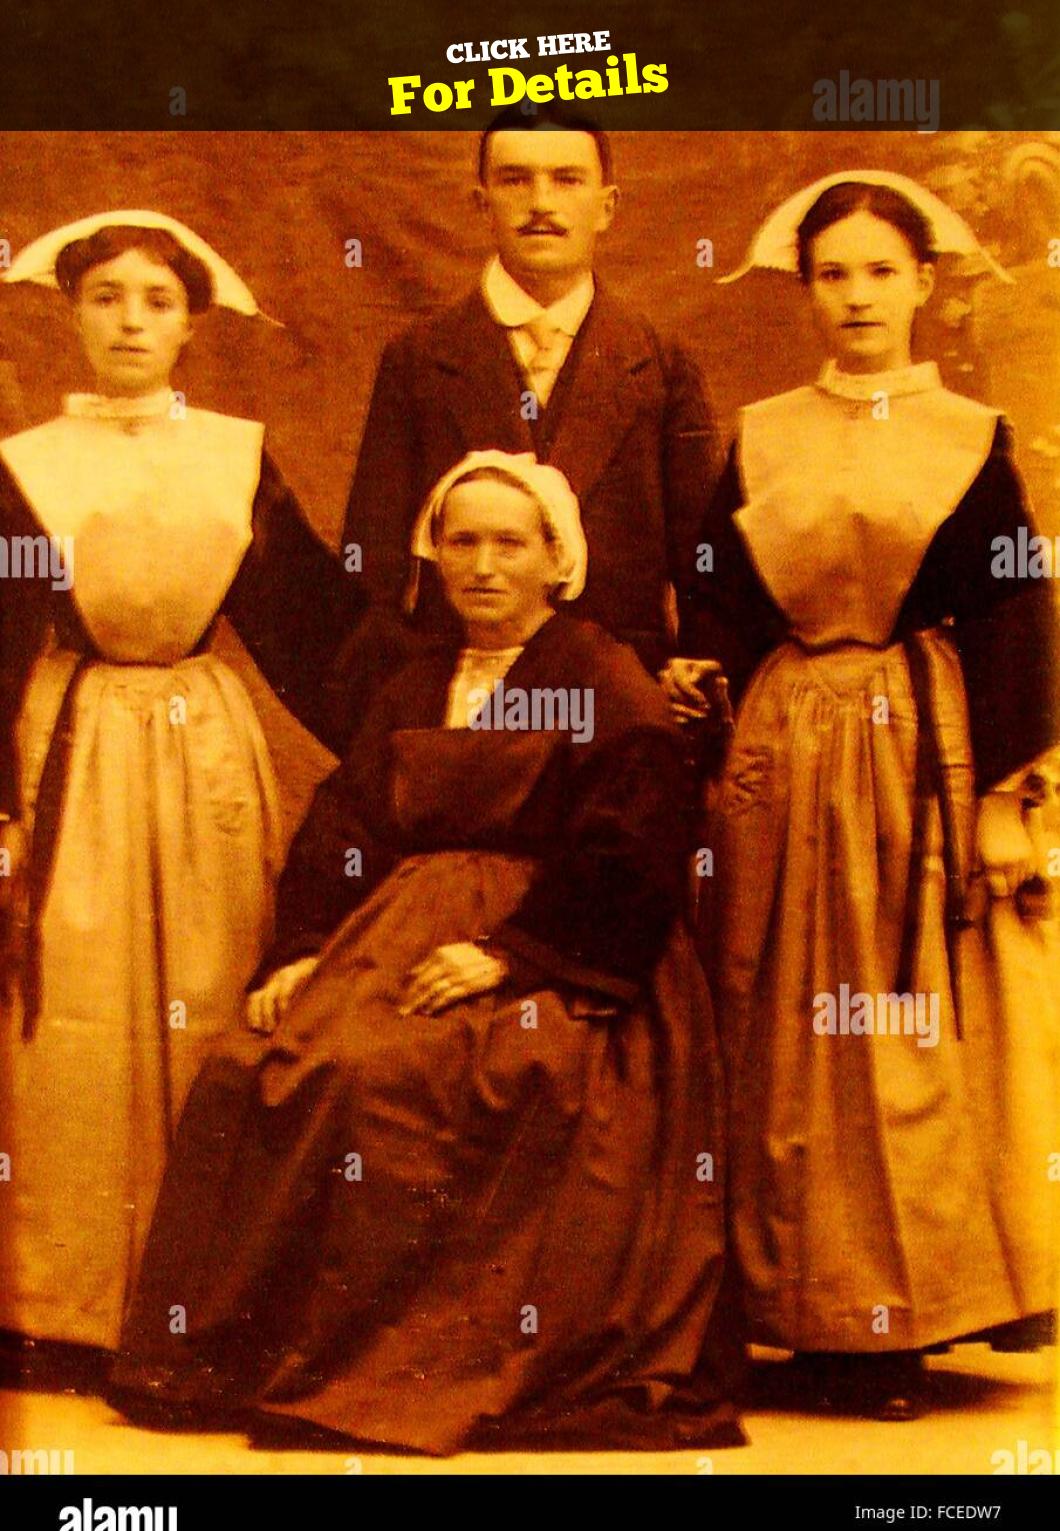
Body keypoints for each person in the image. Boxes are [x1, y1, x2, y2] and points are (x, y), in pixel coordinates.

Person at [108, 450, 742, 1455]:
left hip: (560, 949)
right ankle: (254, 1354)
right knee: (254, 1068)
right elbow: (345, 825)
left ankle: (406, 1363)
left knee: (411, 1076)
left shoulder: (600, 674)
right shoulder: (411, 679)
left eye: (508, 542)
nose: (483, 563)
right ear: (435, 556)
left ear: (554, 560)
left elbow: (636, 842)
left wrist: (514, 954)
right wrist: (305, 949)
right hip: (397, 927)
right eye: (462, 540)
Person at [679, 172, 1060, 1419]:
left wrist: (1007, 797)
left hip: (921, 757)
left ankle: (896, 1316)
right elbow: (722, 600)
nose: (856, 296)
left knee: (905, 1034)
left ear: (923, 284)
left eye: (878, 271)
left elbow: (1014, 616)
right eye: (832, 273)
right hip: (784, 755)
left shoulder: (971, 433)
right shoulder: (761, 428)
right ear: (805, 290)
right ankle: (790, 1303)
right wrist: (705, 698)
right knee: (783, 1028)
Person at [0, 211, 365, 1361]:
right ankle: (64, 1306)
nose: (130, 321)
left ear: (190, 323)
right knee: (73, 1014)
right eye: (107, 298)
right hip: (75, 743)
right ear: (72, 313)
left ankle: (205, 1295)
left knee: (211, 985)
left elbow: (316, 632)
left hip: (201, 743)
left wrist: (424, 741)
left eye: (155, 301)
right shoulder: (24, 467)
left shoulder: (234, 456)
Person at [340, 105, 719, 687]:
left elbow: (702, 570)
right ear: (481, 202)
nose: (542, 202)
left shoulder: (661, 363)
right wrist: (400, 707)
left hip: (620, 702)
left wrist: (688, 692)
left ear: (606, 206)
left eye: (567, 180)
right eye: (516, 179)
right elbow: (374, 567)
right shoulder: (418, 359)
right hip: (465, 698)